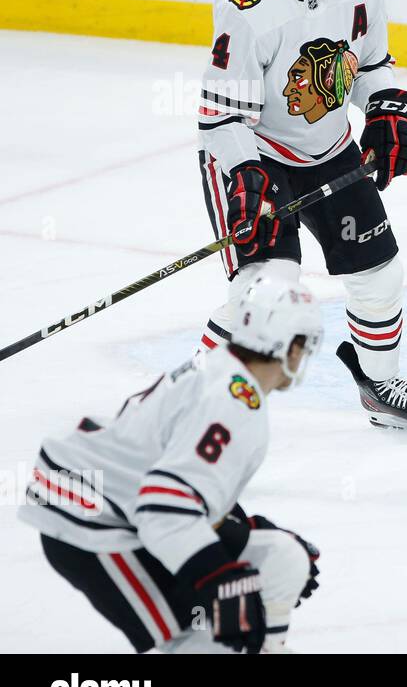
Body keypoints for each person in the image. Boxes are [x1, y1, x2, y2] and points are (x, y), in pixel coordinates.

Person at [196, 0, 407, 433]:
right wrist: (247, 174)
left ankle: (381, 385)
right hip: (257, 155)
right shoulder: (249, 4)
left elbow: (370, 67)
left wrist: (386, 109)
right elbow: (221, 118)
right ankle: (197, 405)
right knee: (265, 288)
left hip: (331, 149)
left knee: (381, 275)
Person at [19, 277, 325, 653]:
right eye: (305, 344)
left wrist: (244, 530)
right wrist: (219, 575)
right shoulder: (233, 403)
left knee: (281, 557)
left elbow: (180, 480)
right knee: (201, 631)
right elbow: (163, 507)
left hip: (111, 502)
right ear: (289, 346)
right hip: (90, 520)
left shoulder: (219, 368)